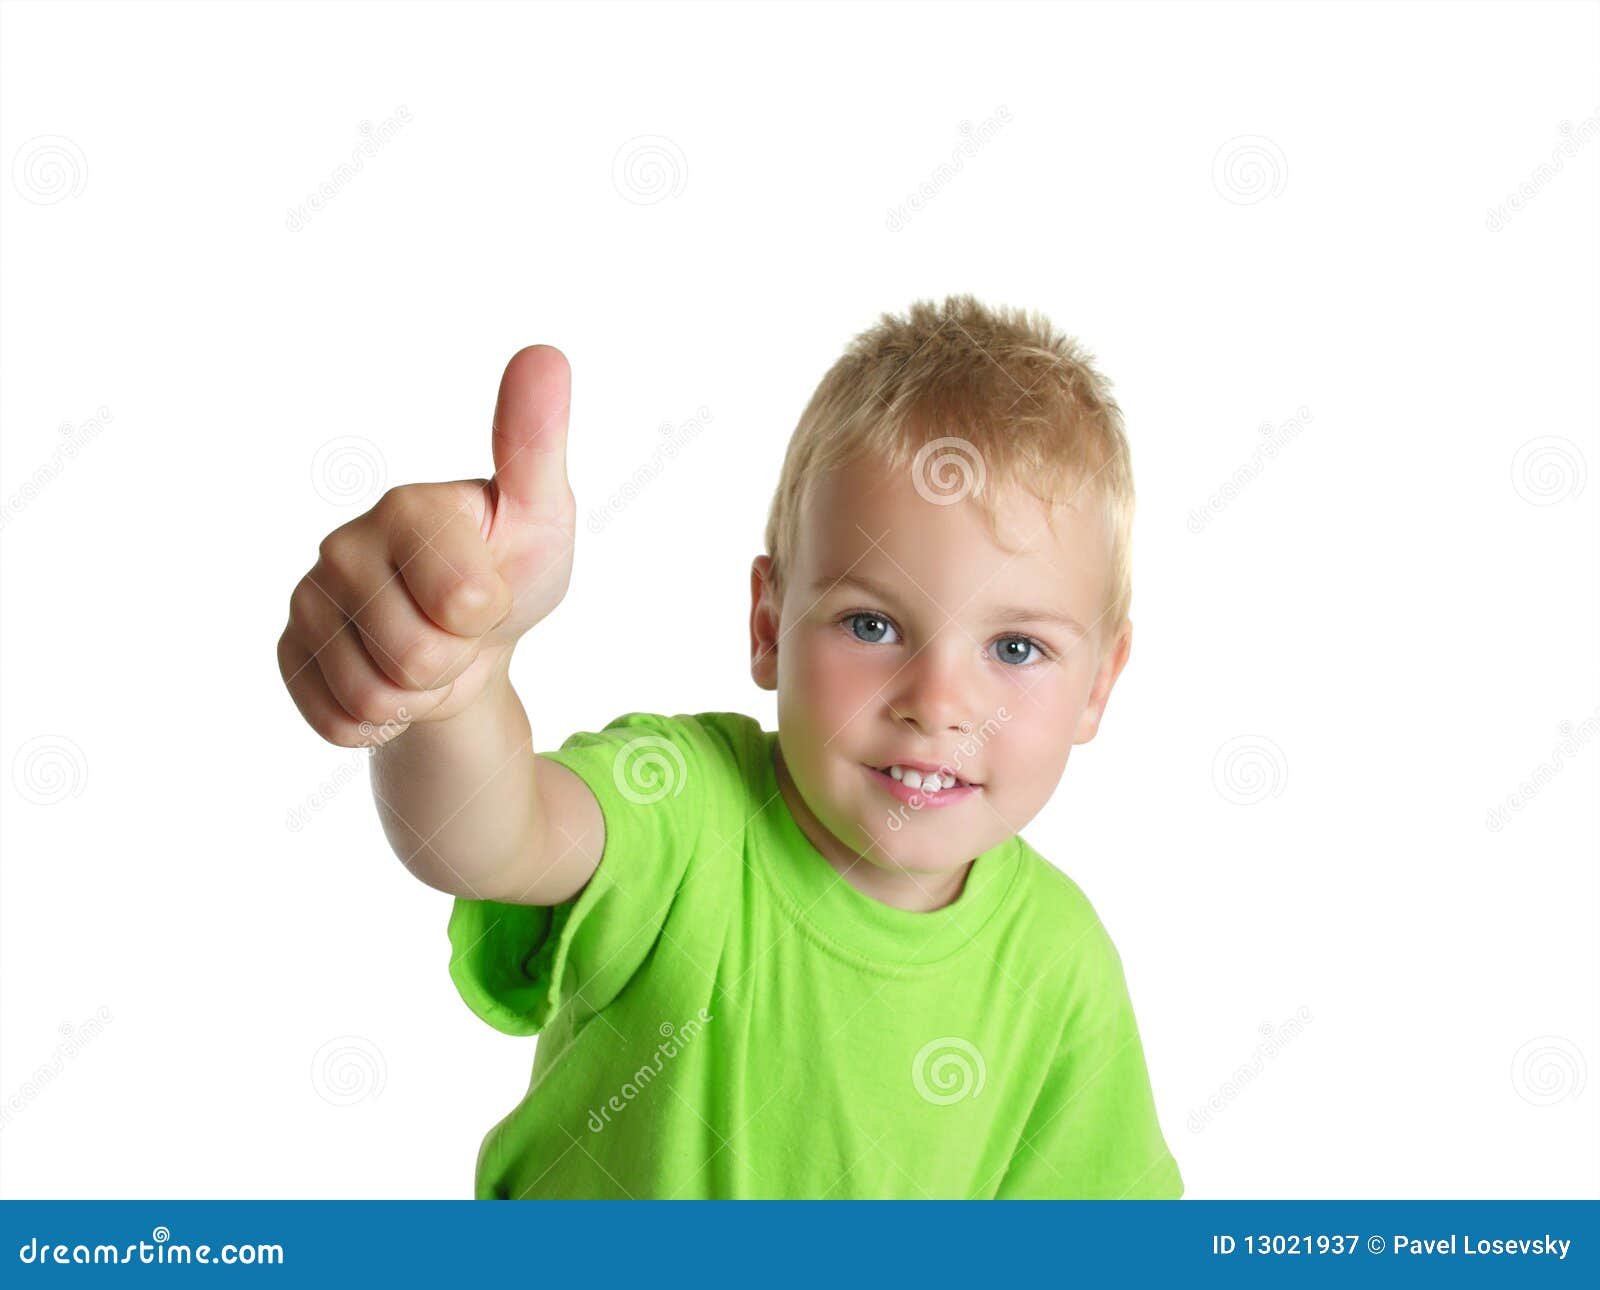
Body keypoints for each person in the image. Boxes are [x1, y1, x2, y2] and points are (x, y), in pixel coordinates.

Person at [277, 294, 1183, 1200]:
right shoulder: (686, 806)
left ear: (1099, 683)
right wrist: (456, 683)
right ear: (767, 624)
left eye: (1016, 648)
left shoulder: (1062, 969)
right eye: (871, 624)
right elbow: (482, 834)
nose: (939, 704)